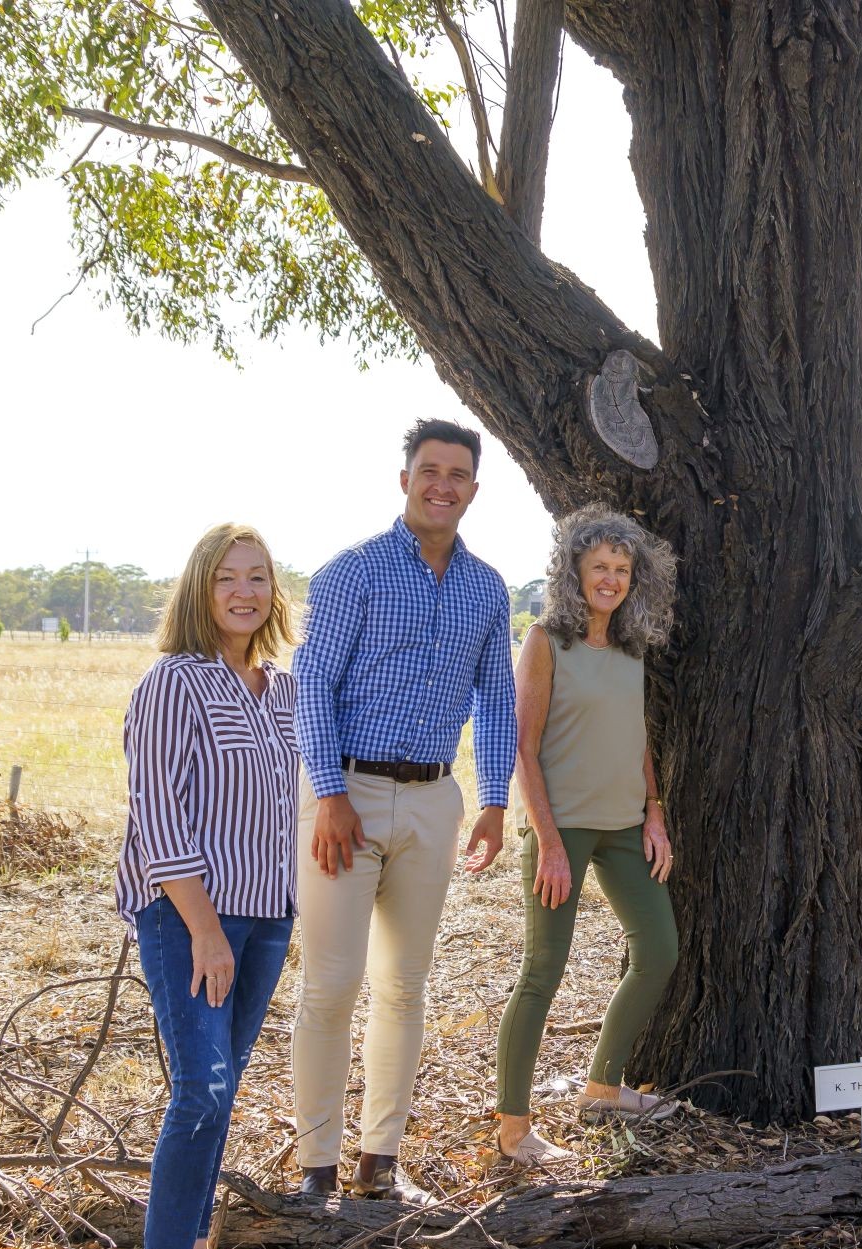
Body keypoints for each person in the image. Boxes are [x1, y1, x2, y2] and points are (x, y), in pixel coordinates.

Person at [290, 419, 516, 1204]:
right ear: (405, 479)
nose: (442, 485)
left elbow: (496, 700)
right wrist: (326, 793)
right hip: (343, 797)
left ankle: (380, 1161)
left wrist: (492, 801)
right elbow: (311, 683)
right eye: (430, 470)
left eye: (458, 474)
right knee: (331, 985)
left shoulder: (487, 588)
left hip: (432, 803)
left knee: (405, 985)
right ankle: (317, 1169)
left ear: (474, 491)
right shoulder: (352, 573)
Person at [116, 524, 299, 1249]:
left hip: (267, 913)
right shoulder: (173, 683)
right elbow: (158, 817)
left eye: (257, 577)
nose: (244, 591)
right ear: (201, 588)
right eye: (227, 577)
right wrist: (204, 930)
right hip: (191, 915)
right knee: (202, 1088)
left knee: (222, 1090)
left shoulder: (281, 688)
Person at [494, 504, 681, 1164]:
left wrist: (654, 809)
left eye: (622, 569)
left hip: (626, 826)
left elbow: (637, 739)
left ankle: (604, 1085)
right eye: (599, 566)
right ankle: (513, 1128)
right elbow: (523, 747)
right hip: (563, 828)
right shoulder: (546, 640)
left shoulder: (631, 648)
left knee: (659, 950)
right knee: (542, 972)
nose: (610, 579)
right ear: (574, 571)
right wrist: (546, 842)